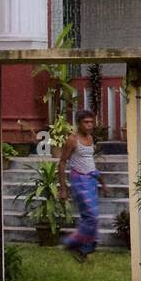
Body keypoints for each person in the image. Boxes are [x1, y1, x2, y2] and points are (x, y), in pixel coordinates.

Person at [58, 109, 105, 261]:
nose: (89, 125)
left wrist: (102, 182)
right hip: (79, 180)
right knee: (91, 216)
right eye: (86, 122)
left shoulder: (90, 138)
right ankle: (72, 243)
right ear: (79, 123)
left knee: (90, 217)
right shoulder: (72, 140)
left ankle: (83, 250)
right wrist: (63, 188)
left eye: (91, 122)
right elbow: (62, 162)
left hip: (91, 180)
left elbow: (90, 163)